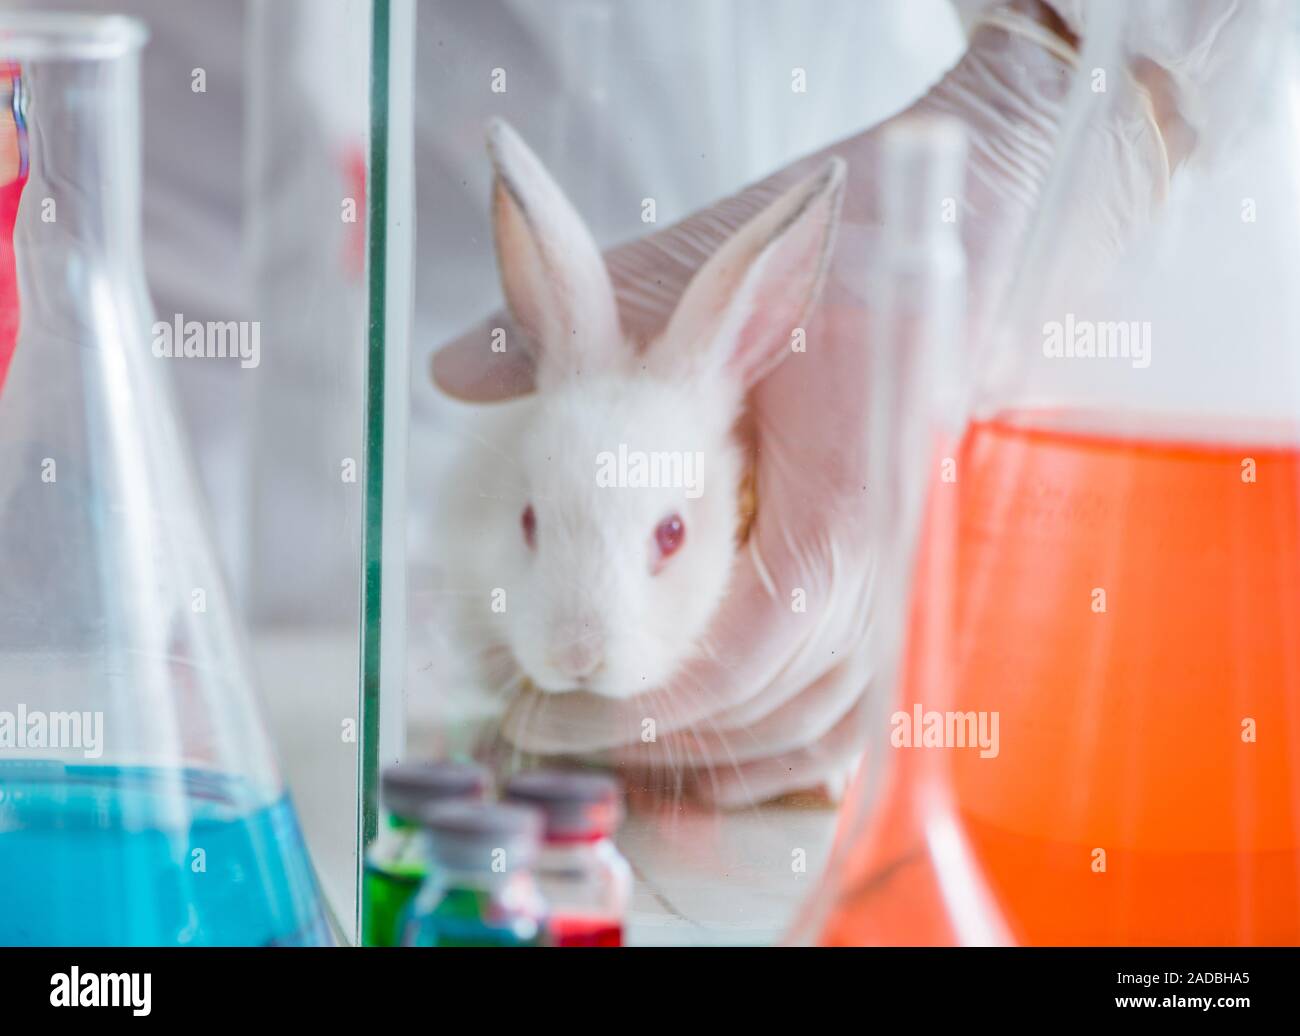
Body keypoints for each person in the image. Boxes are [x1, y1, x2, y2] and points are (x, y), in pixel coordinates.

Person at [428, 0, 1247, 806]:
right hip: (465, 219)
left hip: (880, 163)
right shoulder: (511, 481)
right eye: (535, 528)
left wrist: (1076, 63)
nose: (584, 647)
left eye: (669, 537)